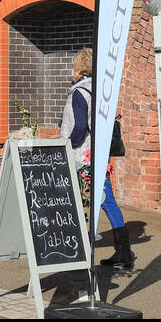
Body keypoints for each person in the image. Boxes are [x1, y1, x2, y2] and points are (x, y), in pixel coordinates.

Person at [60, 47, 135, 270]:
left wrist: (67, 143)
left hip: (81, 155)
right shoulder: (102, 91)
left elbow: (80, 125)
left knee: (73, 198)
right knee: (106, 199)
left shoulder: (79, 92)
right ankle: (124, 250)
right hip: (99, 152)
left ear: (77, 69)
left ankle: (73, 245)